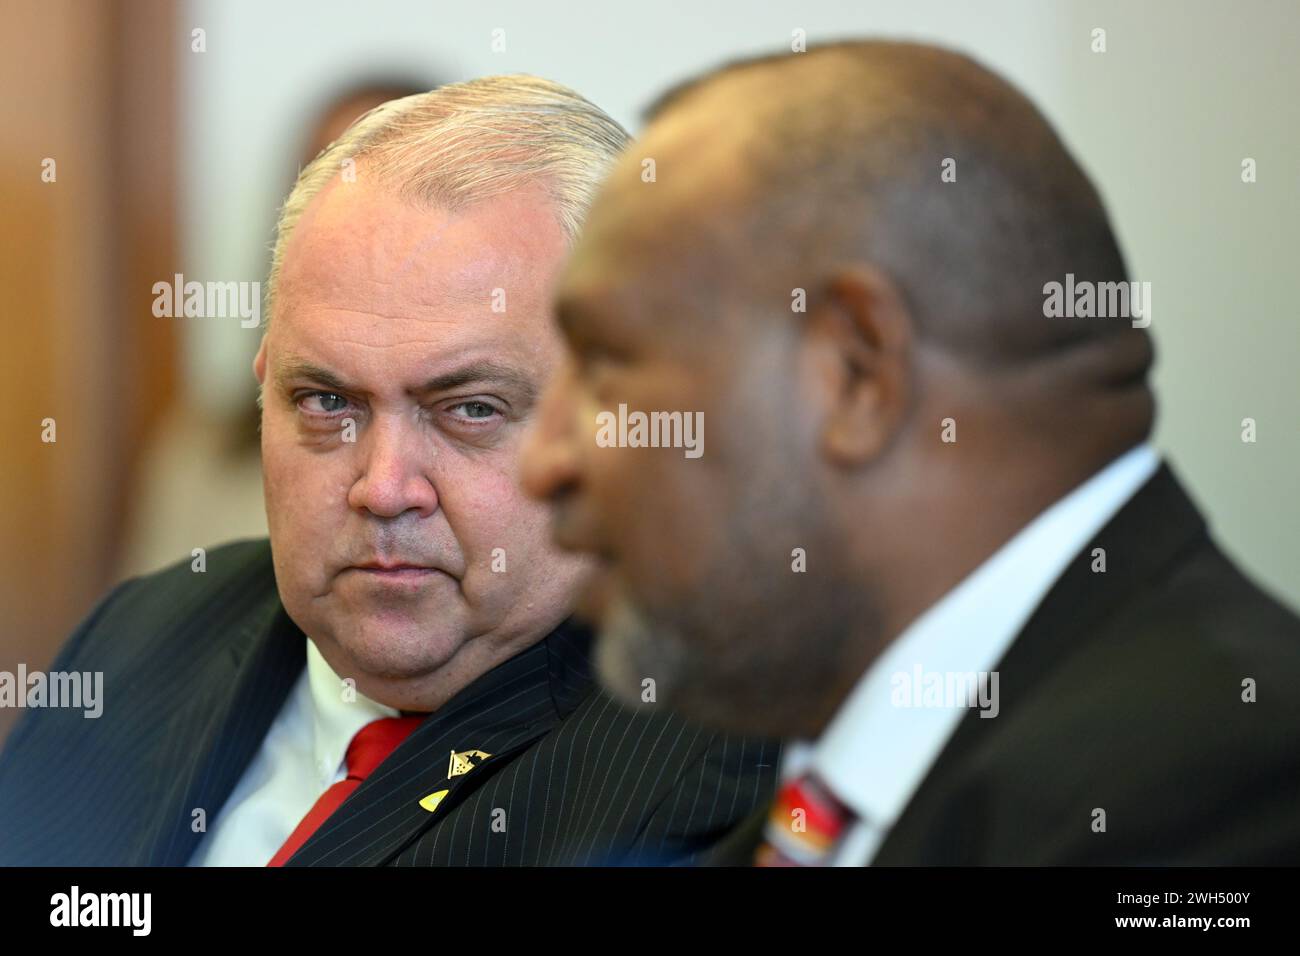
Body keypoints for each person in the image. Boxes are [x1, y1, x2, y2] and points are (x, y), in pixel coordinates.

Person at [520, 41, 1300, 865]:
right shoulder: (826, 811)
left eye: (604, 367)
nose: (544, 461)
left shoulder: (1230, 800)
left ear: (857, 374)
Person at [0, 75, 777, 867]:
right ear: (264, 382)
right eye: (326, 401)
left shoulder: (712, 767)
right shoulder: (143, 638)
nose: (383, 487)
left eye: (470, 409)